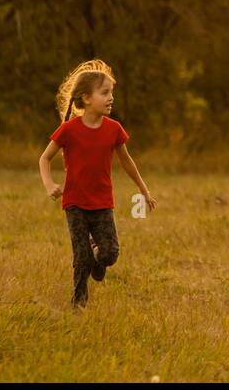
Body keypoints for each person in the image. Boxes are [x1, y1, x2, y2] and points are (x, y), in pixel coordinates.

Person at [38, 60, 156, 308]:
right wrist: (49, 185)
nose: (111, 98)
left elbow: (127, 162)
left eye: (112, 93)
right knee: (81, 258)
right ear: (87, 98)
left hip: (102, 204)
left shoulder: (114, 130)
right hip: (75, 204)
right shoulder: (69, 130)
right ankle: (78, 304)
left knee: (110, 253)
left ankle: (97, 256)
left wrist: (144, 191)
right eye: (105, 93)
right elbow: (44, 158)